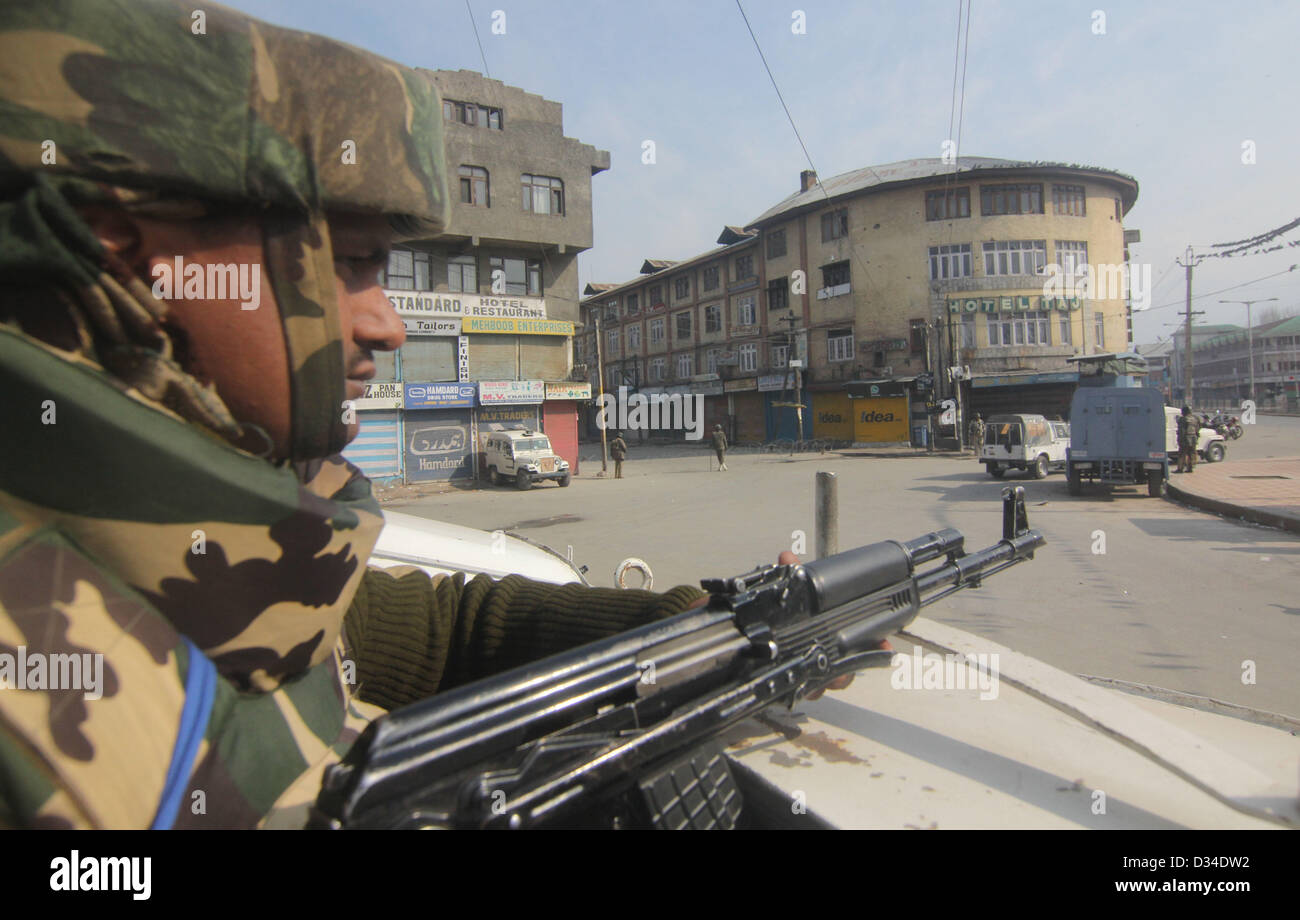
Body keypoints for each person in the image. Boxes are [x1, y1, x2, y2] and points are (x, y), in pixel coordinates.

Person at [0, 0, 723, 829]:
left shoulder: (224, 542)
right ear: (124, 253)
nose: (387, 323)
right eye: (347, 264)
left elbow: (434, 634)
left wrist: (684, 633)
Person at [1177, 405, 1199, 473]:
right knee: (1191, 454)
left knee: (1182, 454)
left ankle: (1180, 468)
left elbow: (1182, 431)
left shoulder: (1183, 419)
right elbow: (1197, 429)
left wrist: (1179, 440)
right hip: (1193, 438)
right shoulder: (1195, 418)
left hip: (1185, 438)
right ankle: (1190, 468)